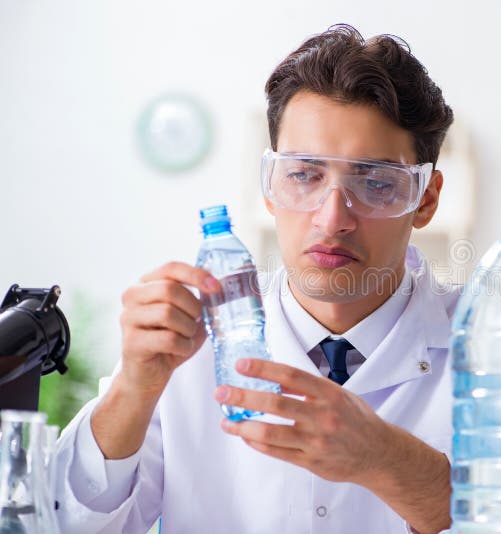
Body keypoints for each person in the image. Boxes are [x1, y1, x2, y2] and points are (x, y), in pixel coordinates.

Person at [53, 24, 456, 534]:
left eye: (376, 182)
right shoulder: (190, 345)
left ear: (425, 198)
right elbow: (61, 524)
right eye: (305, 175)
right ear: (269, 187)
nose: (332, 218)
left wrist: (387, 459)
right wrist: (135, 387)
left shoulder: (493, 352)